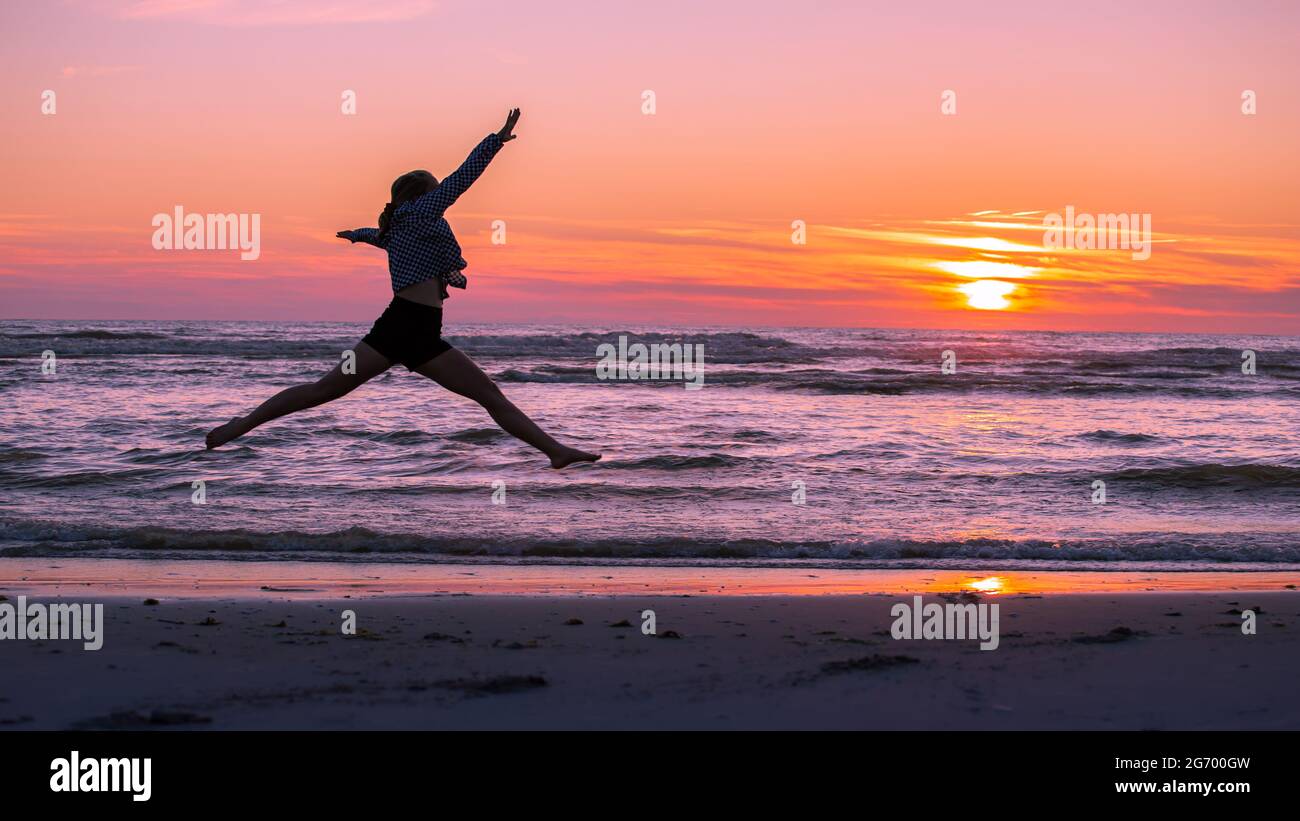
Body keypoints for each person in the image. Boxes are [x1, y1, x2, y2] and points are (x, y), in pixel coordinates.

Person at [205, 109, 600, 469]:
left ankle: (243, 424)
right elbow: (466, 175)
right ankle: (556, 452)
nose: (442, 190)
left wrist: (357, 236)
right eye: (436, 187)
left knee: (324, 389)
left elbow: (376, 235)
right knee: (489, 397)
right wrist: (497, 139)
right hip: (411, 328)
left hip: (406, 330)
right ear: (425, 194)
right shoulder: (424, 211)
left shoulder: (399, 225)